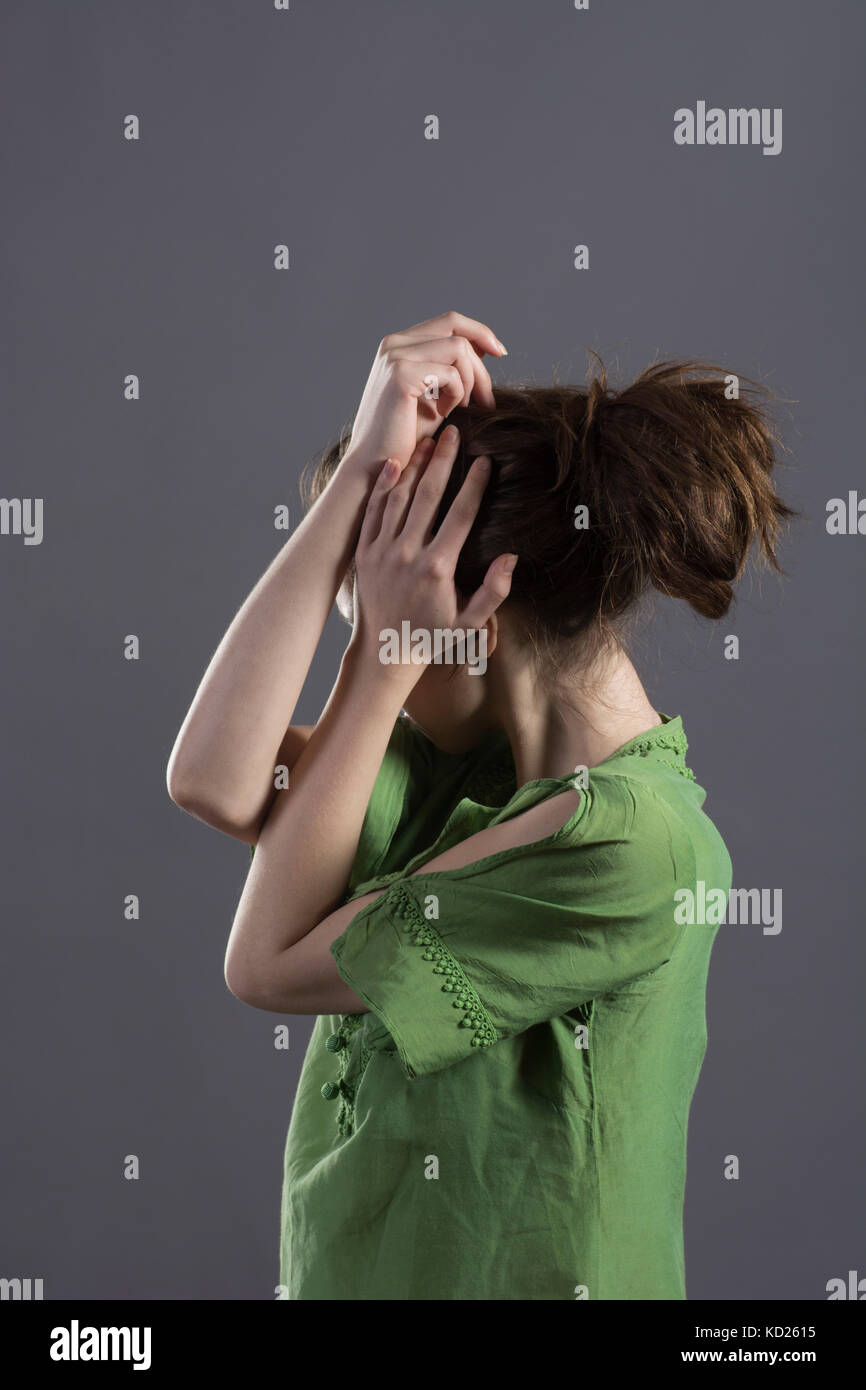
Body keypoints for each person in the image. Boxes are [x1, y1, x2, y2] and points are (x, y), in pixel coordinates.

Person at [167, 311, 793, 1300]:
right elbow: (215, 778)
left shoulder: (633, 843)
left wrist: (381, 662)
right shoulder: (468, 772)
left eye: (373, 627)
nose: (364, 663)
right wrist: (356, 482)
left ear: (473, 632)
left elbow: (265, 966)